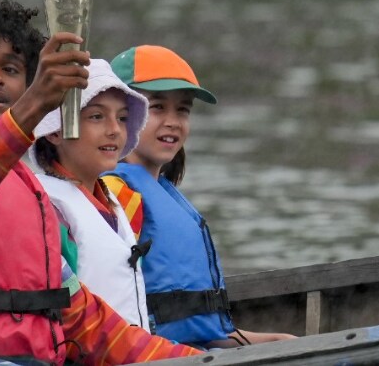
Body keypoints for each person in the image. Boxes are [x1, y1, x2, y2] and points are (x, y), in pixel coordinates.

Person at [0, 0, 202, 366]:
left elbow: (86, 322)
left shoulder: (32, 193)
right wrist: (32, 106)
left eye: (13, 69)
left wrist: (194, 361)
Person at [103, 45, 297, 349]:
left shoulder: (163, 192)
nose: (173, 121)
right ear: (120, 115)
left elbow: (201, 330)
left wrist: (270, 341)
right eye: (157, 107)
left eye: (183, 109)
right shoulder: (117, 193)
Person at [30, 59, 152, 329]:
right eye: (97, 116)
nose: (114, 130)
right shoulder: (48, 207)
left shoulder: (113, 200)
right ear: (56, 131)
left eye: (122, 118)